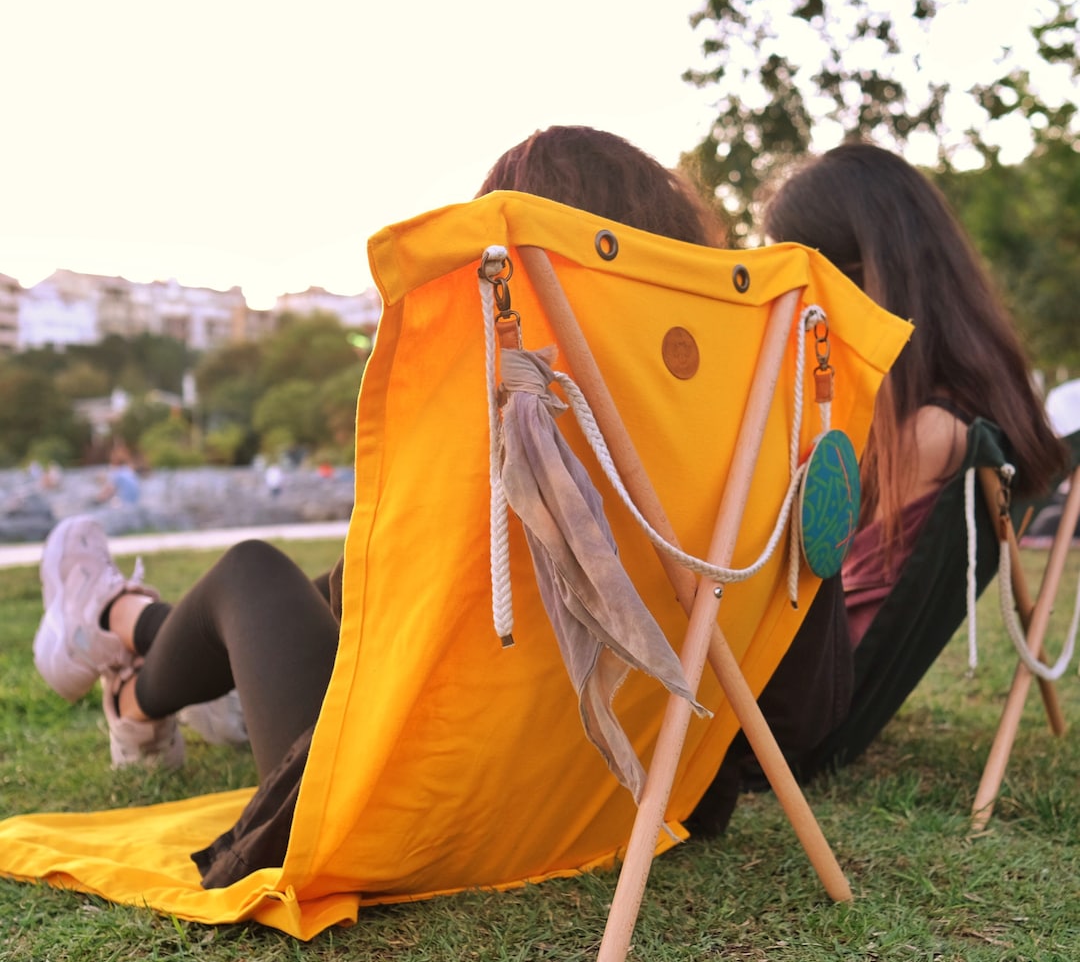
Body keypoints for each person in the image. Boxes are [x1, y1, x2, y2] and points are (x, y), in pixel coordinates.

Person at [31, 125, 726, 886]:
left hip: (402, 823)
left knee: (255, 573)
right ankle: (131, 634)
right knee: (338, 582)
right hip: (609, 801)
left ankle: (123, 657)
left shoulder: (508, 410)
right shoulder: (716, 439)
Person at [687, 142, 1066, 835]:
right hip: (806, 696)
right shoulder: (949, 412)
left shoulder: (927, 432)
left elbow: (826, 606)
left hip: (792, 720)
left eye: (800, 272)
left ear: (861, 277)